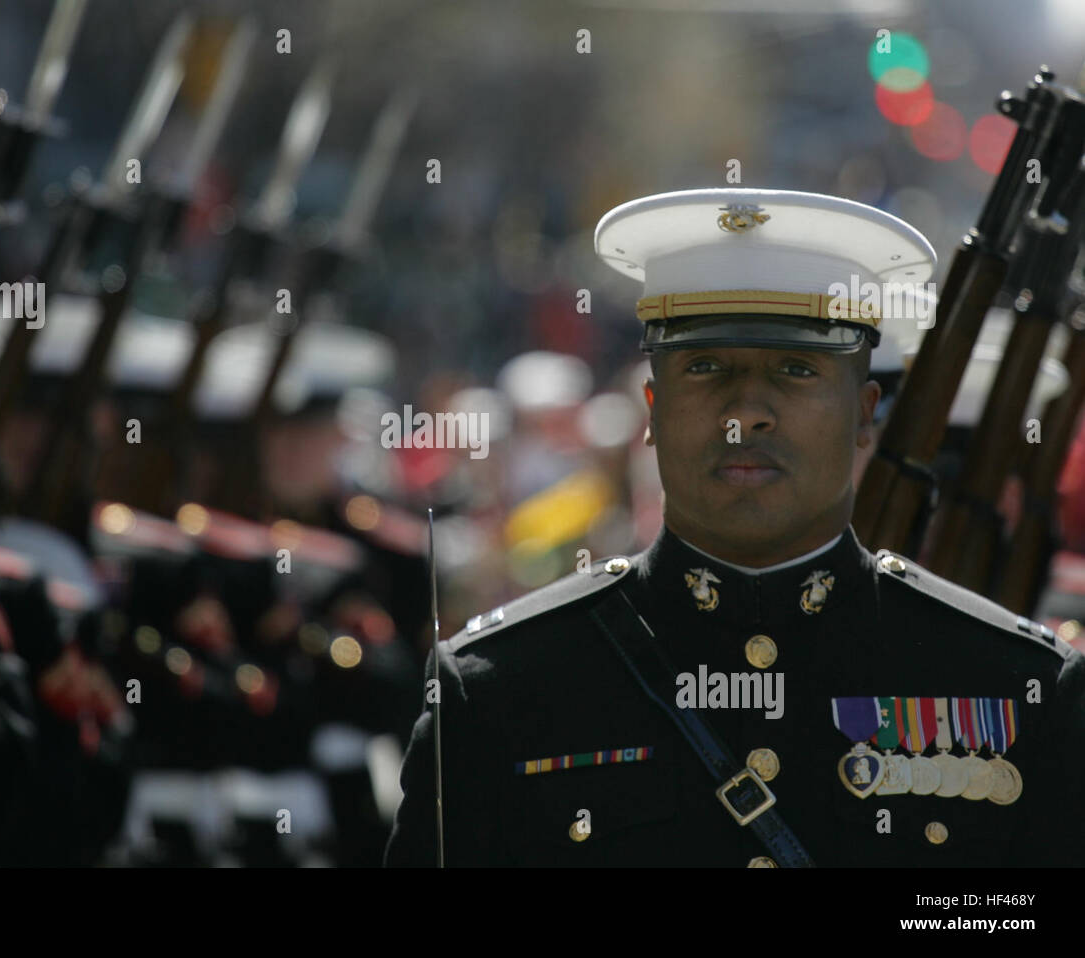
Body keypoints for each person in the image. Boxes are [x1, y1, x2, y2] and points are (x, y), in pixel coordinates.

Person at [384, 188, 1085, 867]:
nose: (747, 411)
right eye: (707, 366)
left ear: (866, 413)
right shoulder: (497, 689)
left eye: (795, 368)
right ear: (653, 410)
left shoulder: (1018, 687)